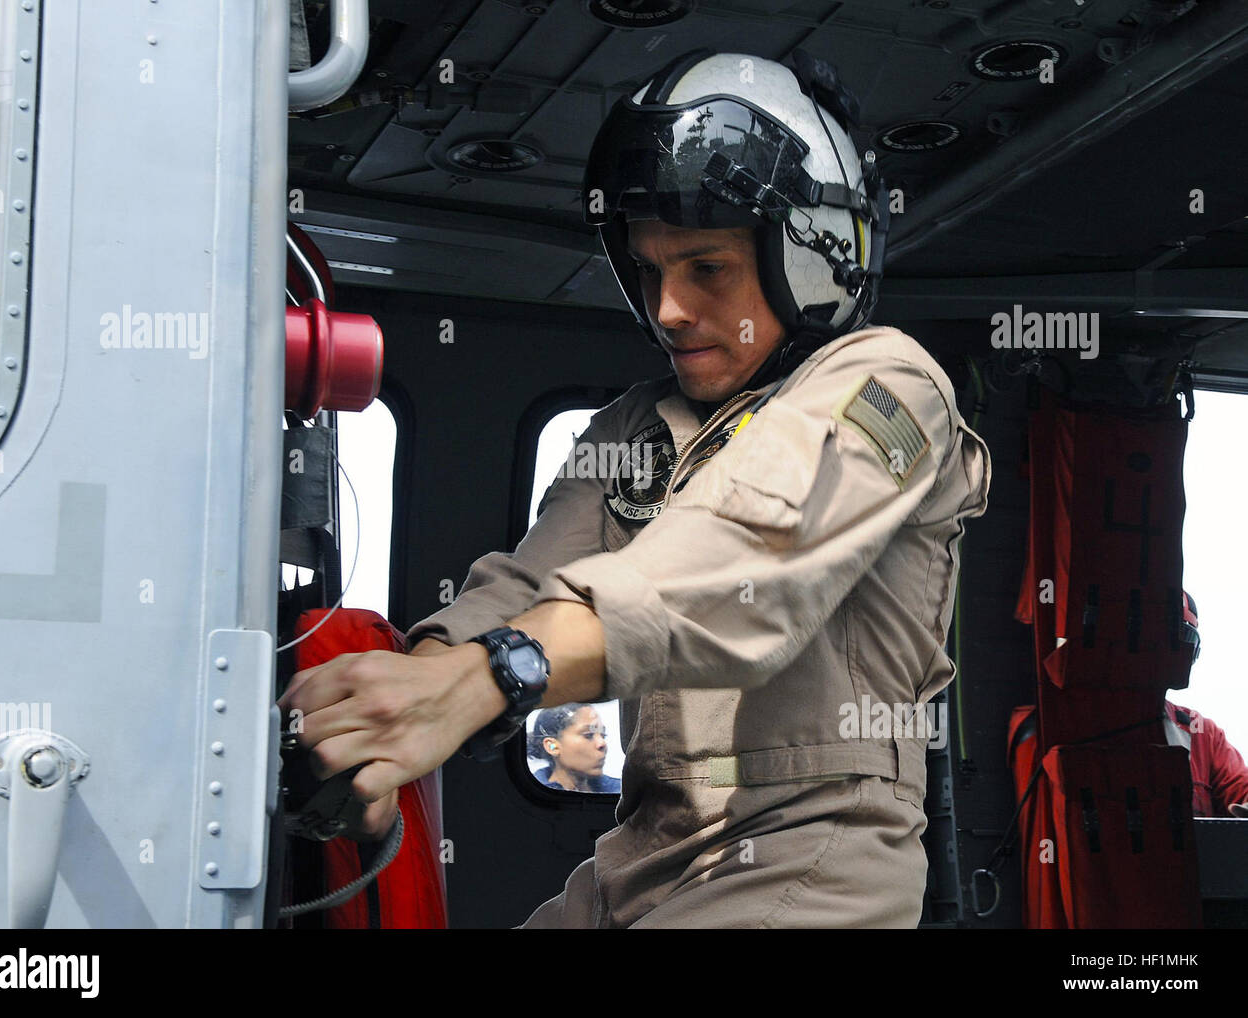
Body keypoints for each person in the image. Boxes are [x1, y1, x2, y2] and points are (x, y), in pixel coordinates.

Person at [279, 49, 991, 928]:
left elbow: (742, 560)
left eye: (706, 269)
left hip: (812, 868)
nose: (667, 309)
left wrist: (483, 679)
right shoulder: (635, 427)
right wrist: (401, 707)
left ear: (812, 257)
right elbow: (527, 583)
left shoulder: (890, 386)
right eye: (649, 272)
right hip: (645, 857)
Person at [1165, 592, 1248, 817]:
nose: (1177, 651)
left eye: (1186, 640)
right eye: (1171, 637)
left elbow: (1240, 790)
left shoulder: (1201, 732)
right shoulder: (1080, 717)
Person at [529, 704, 621, 793]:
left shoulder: (624, 793)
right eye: (588, 735)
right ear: (552, 747)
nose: (602, 743)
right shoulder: (530, 798)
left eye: (603, 735)